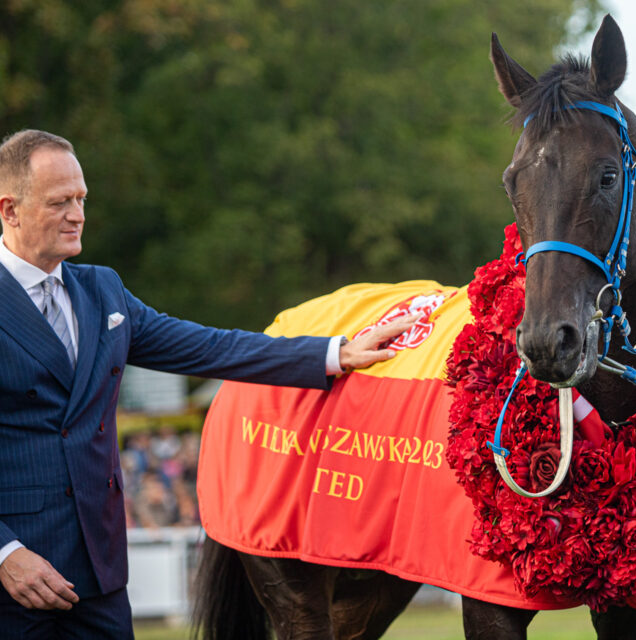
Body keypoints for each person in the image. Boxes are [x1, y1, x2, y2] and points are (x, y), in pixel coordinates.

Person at [0, 129, 420, 638]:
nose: (77, 214)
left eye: (81, 199)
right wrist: (6, 553)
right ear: (10, 210)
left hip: (100, 574)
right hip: (14, 580)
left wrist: (334, 352)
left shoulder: (102, 289)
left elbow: (211, 347)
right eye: (59, 202)